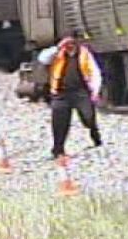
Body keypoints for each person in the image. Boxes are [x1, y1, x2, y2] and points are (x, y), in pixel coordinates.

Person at [43, 30, 103, 159]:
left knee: (88, 117)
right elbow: (42, 59)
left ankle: (94, 133)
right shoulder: (57, 53)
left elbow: (94, 72)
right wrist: (58, 47)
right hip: (61, 93)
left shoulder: (84, 53)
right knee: (59, 122)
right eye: (66, 42)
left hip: (81, 92)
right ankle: (58, 150)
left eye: (71, 41)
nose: (69, 45)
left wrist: (95, 91)